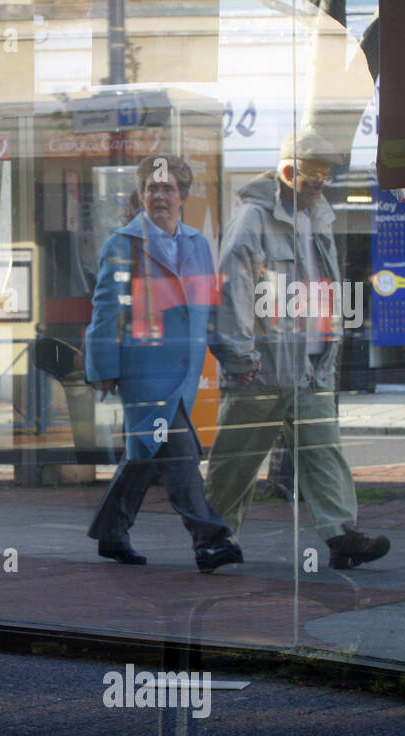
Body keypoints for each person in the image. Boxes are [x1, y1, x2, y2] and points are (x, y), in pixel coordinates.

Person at [206, 132, 390, 569]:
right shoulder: (252, 219)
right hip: (262, 367)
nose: (321, 185)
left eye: (327, 176)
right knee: (238, 458)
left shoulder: (317, 218)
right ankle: (212, 537)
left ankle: (341, 534)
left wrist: (329, 346)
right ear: (288, 173)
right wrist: (239, 355)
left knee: (324, 451)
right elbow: (232, 289)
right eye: (314, 177)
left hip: (310, 363)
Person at [85, 154, 243, 573]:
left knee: (145, 454)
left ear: (183, 196)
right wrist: (102, 369)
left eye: (167, 188)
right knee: (180, 452)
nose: (159, 195)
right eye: (152, 187)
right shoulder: (122, 244)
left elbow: (208, 310)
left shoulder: (197, 244)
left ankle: (110, 531)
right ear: (140, 194)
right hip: (143, 372)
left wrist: (233, 355)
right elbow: (105, 312)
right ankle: (210, 540)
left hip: (184, 371)